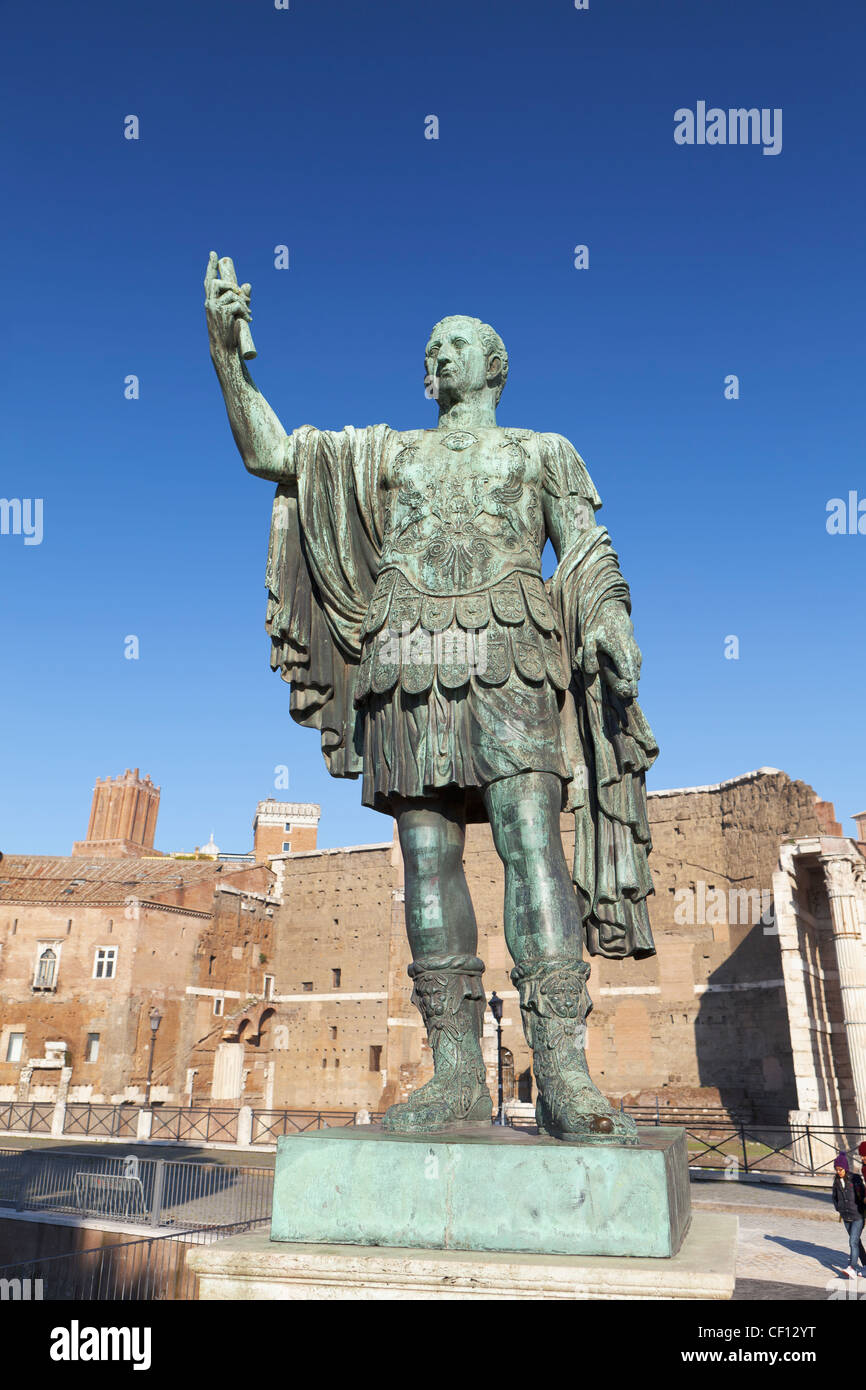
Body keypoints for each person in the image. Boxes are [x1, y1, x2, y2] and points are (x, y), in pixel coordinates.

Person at [206, 259, 658, 1142]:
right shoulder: (388, 453)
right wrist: (229, 357)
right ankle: (455, 1069)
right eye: (430, 348)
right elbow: (272, 455)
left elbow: (589, 547)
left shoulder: (542, 450)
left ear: (494, 365)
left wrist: (607, 622)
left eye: (455, 344)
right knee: (425, 857)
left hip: (512, 654)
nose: (437, 354)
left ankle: (562, 1066)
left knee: (532, 841)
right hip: (408, 659)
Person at [832, 1153, 866, 1278]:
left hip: (858, 1216)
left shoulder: (855, 1179)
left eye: (840, 1169)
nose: (838, 1172)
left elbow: (862, 1195)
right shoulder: (836, 1181)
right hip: (846, 1217)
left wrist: (864, 1213)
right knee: (857, 1242)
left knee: (852, 1242)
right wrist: (839, 1209)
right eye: (836, 1169)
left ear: (845, 1168)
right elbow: (834, 1197)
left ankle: (852, 1267)